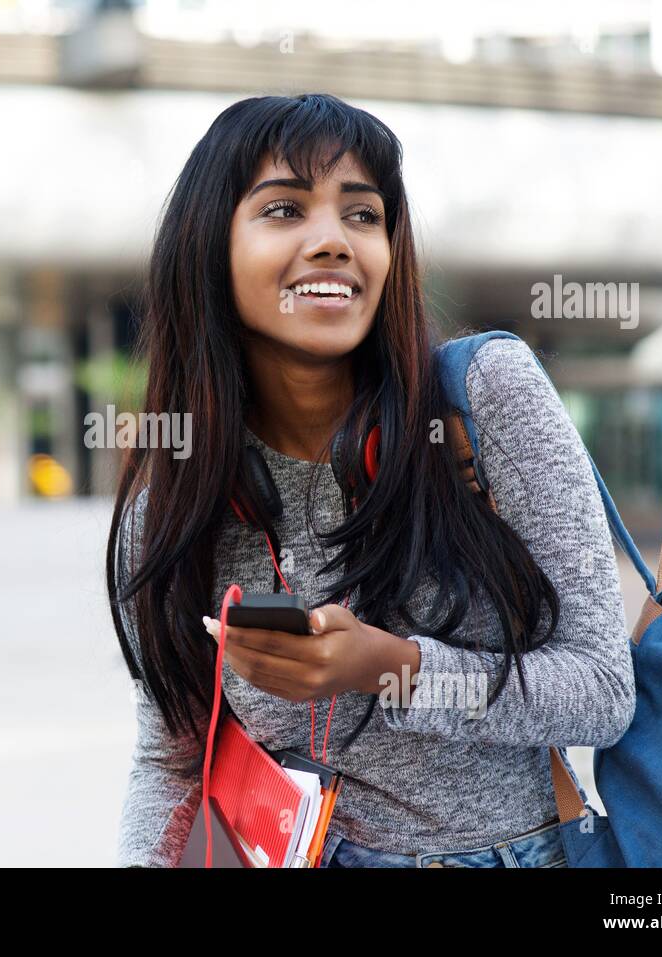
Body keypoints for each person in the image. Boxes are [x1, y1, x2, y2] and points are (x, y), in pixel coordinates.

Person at [105, 92, 634, 868]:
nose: (333, 242)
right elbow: (170, 761)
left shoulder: (485, 396)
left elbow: (601, 691)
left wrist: (391, 668)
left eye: (361, 215)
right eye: (284, 209)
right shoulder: (172, 504)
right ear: (207, 248)